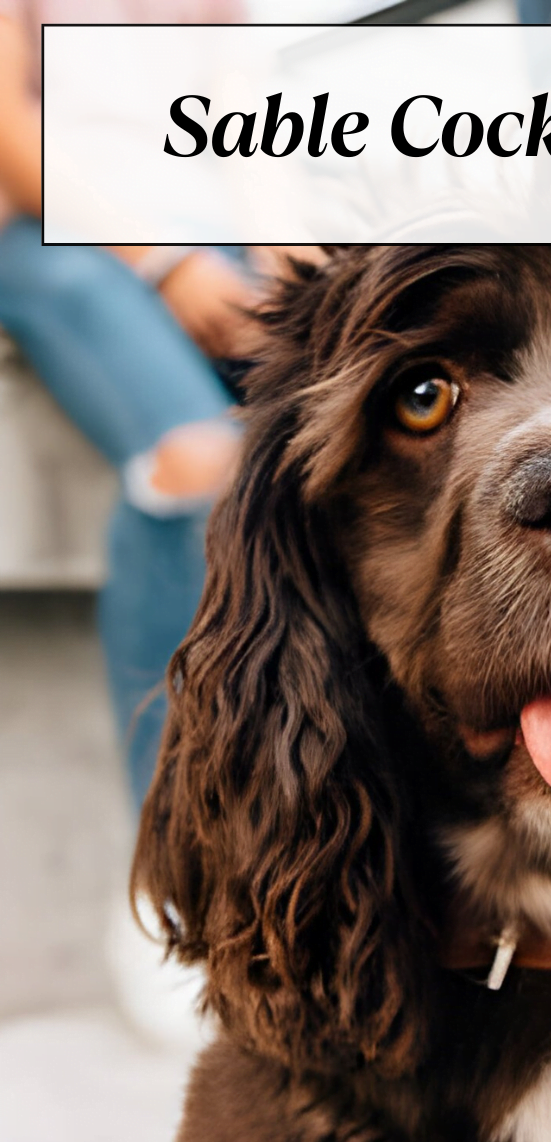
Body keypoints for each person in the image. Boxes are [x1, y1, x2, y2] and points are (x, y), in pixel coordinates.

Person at [0, 1, 265, 812]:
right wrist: (164, 261)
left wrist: (286, 262)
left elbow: (252, 126)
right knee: (196, 461)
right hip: (63, 243)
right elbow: (11, 128)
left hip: (216, 244)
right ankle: (171, 838)